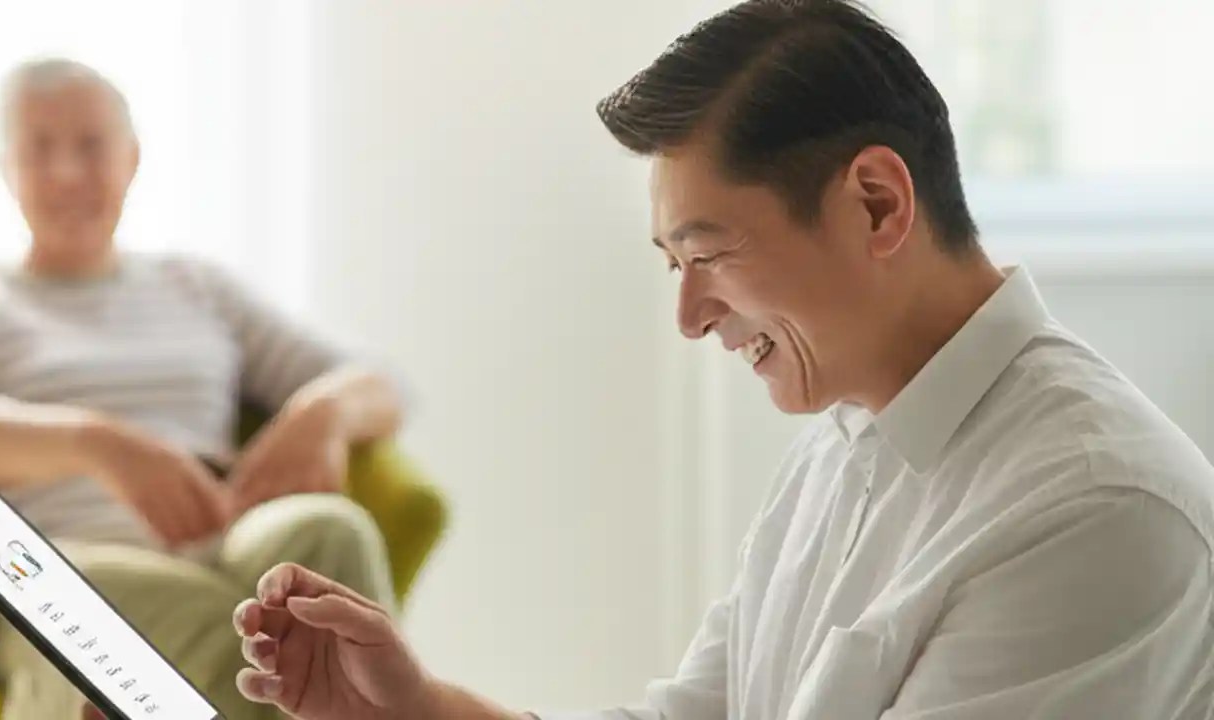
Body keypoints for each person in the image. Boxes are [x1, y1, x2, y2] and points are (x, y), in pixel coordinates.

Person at [231, 1, 1214, 718]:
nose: (690, 316)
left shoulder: (1095, 510)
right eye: (671, 264)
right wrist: (421, 713)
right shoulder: (846, 444)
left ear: (877, 203)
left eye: (706, 256)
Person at [0, 58, 406, 720]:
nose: (68, 172)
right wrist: (98, 445)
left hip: (223, 540)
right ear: (6, 167)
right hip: (57, 561)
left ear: (131, 159)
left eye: (91, 146)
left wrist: (322, 411)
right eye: (41, 149)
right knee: (224, 626)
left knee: (330, 532)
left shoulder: (195, 286)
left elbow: (382, 385)